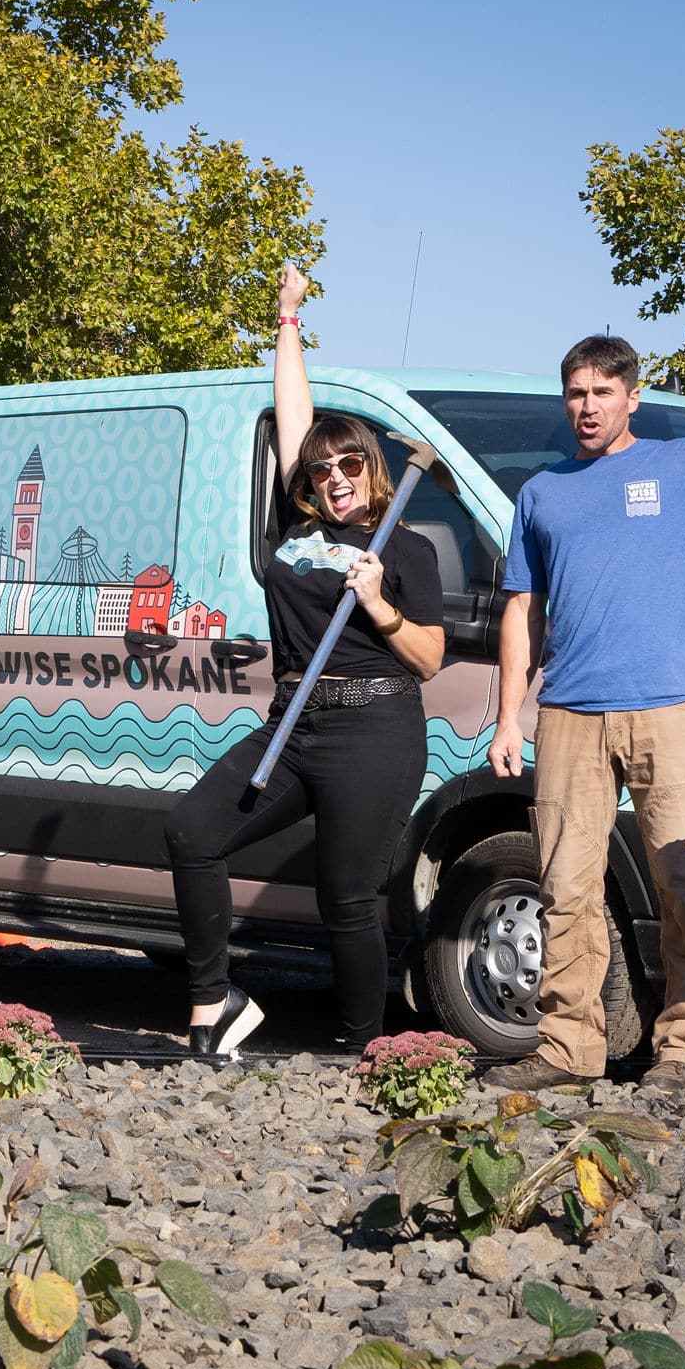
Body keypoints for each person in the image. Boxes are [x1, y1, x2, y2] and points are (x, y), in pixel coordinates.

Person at [486, 315, 685, 1096]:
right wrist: (507, 715)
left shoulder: (684, 463)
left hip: (672, 706)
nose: (587, 406)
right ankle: (568, 1045)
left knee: (682, 880)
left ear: (635, 395)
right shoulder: (540, 492)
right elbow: (522, 611)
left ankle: (684, 1050)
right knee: (566, 886)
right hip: (568, 712)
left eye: (602, 391)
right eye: (574, 393)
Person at [164, 266, 446, 1058]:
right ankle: (214, 1000)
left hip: (376, 724)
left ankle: (364, 1051)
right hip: (292, 719)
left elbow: (426, 659)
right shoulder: (297, 526)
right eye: (323, 471)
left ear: (372, 469)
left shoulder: (407, 547)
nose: (334, 479)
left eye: (349, 465)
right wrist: (287, 320)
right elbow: (296, 417)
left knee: (347, 896)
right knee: (192, 829)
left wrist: (382, 603)